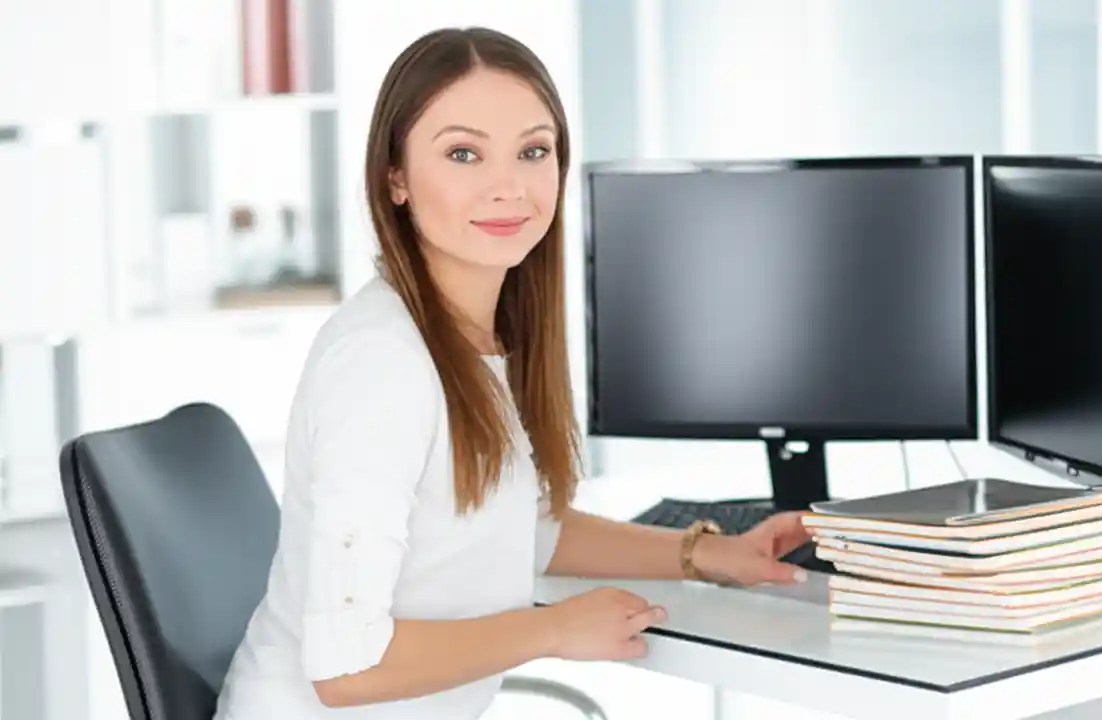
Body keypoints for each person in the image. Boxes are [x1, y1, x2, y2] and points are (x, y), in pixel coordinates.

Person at [214, 26, 811, 719]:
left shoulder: (477, 339)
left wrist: (708, 555)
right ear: (396, 178)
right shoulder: (383, 366)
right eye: (464, 153)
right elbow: (347, 668)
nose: (509, 186)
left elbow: (521, 530)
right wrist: (553, 630)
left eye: (533, 151)